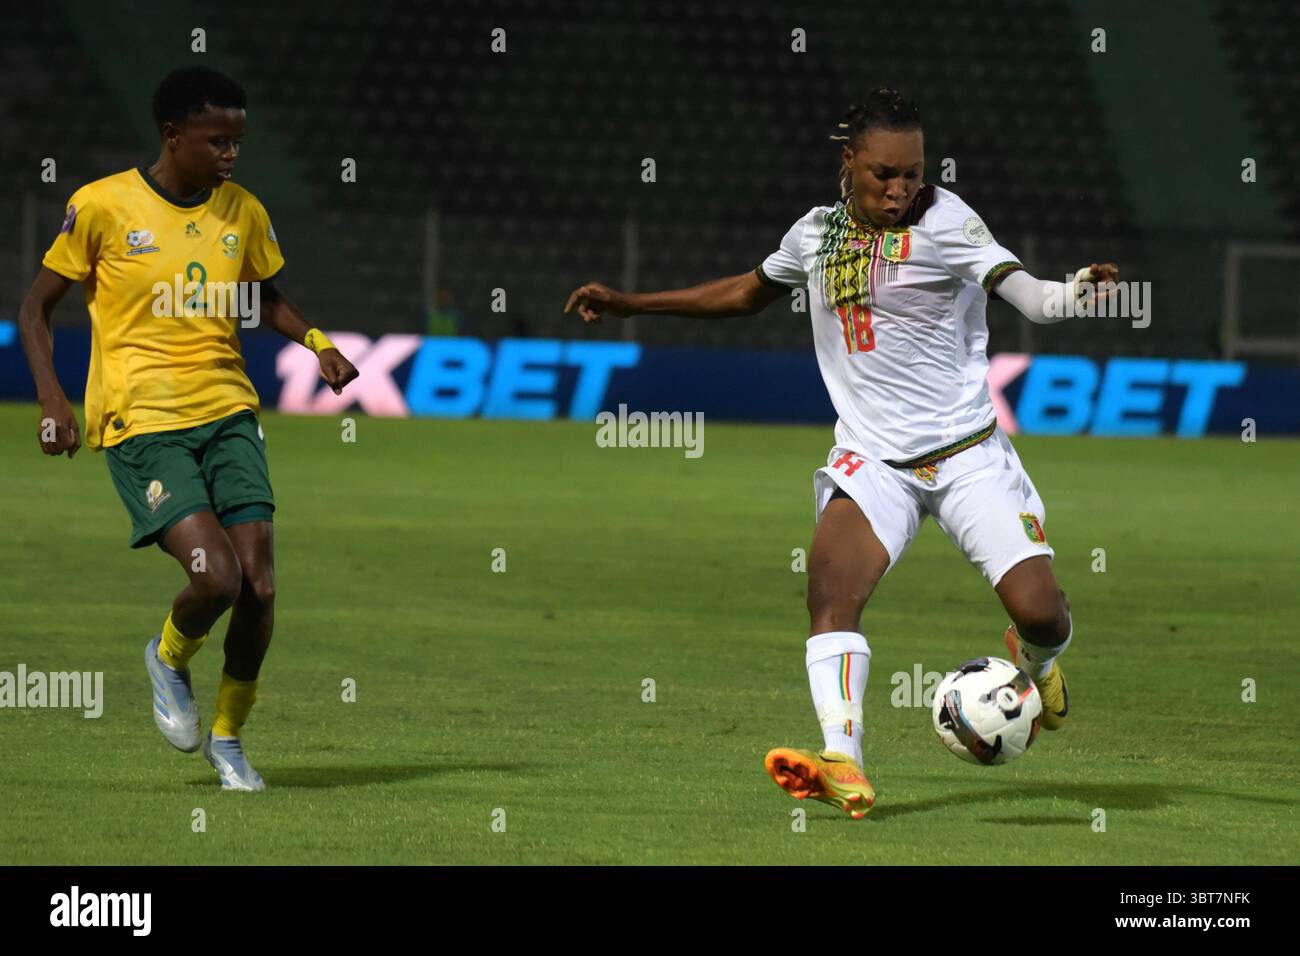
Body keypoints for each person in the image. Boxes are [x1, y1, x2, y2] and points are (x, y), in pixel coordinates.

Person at [564, 88, 1119, 817]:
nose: (899, 189)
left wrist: (1078, 291)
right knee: (830, 598)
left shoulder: (950, 223)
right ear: (848, 161)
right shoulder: (814, 236)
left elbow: (1035, 300)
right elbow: (744, 292)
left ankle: (1039, 660)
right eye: (883, 173)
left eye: (912, 172)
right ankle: (843, 762)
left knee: (1043, 613)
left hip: (966, 454)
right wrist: (634, 304)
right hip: (872, 461)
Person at [18, 66, 359, 791]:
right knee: (217, 579)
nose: (232, 153)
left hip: (228, 411)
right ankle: (169, 656)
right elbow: (34, 307)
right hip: (140, 422)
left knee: (260, 588)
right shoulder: (102, 206)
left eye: (238, 140)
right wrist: (52, 400)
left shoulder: (243, 211)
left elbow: (262, 298)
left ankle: (230, 740)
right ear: (173, 137)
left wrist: (318, 342)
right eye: (218, 140)